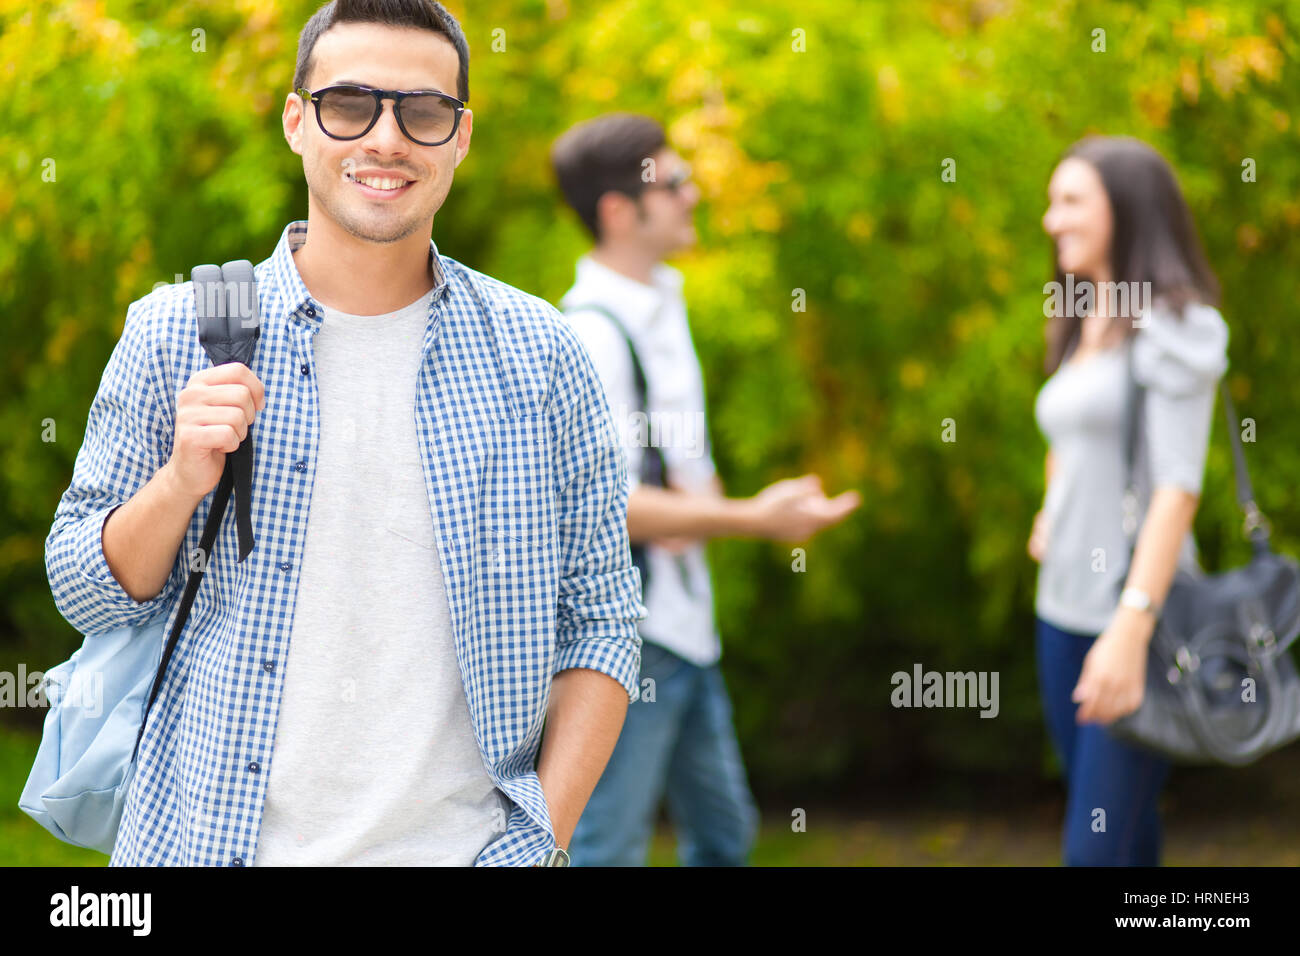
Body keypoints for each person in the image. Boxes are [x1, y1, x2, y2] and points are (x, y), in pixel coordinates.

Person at [43, 0, 644, 867]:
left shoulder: (542, 355)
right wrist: (179, 482)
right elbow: (82, 591)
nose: (386, 139)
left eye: (423, 112)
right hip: (207, 847)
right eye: (349, 104)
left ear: (460, 136)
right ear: (297, 121)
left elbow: (601, 618)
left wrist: (542, 840)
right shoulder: (176, 331)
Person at [550, 113, 860, 866]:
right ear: (620, 211)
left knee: (724, 836)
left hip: (689, 626)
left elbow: (683, 469)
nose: (692, 194)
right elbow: (606, 504)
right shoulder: (590, 334)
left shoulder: (664, 304)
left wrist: (716, 507)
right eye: (674, 183)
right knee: (605, 848)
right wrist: (756, 518)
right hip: (628, 638)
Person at [1029, 135, 1229, 866]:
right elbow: (1072, 435)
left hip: (1139, 619)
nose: (1052, 220)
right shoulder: (1083, 315)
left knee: (1092, 853)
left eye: (1071, 200)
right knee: (1127, 837)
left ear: (1128, 207)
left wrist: (1130, 631)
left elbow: (1178, 488)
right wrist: (1051, 508)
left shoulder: (1175, 327)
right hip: (1060, 612)